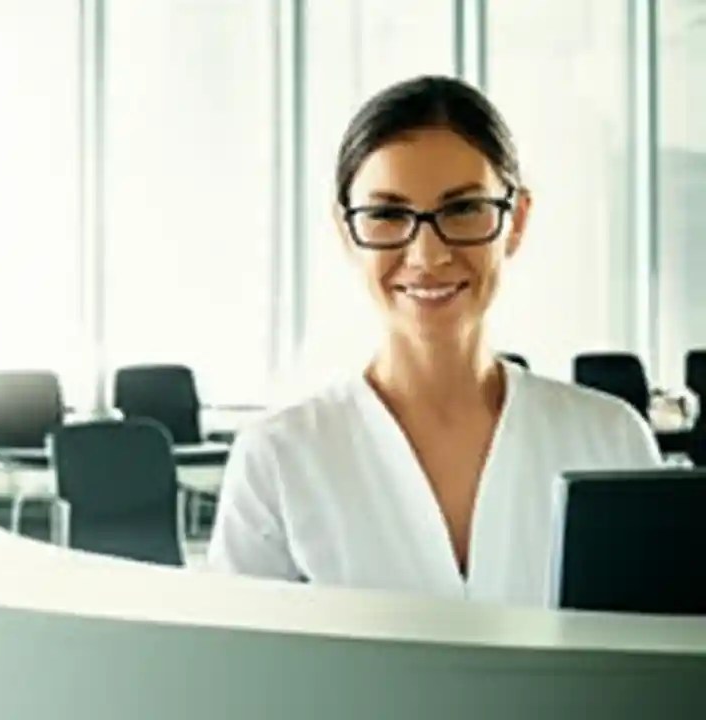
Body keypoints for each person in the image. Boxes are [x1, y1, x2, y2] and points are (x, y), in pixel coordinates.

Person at [206, 76, 660, 606]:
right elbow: (238, 679)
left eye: (463, 209)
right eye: (386, 215)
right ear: (346, 230)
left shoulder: (611, 441)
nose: (427, 255)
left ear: (516, 221)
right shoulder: (278, 459)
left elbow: (659, 672)